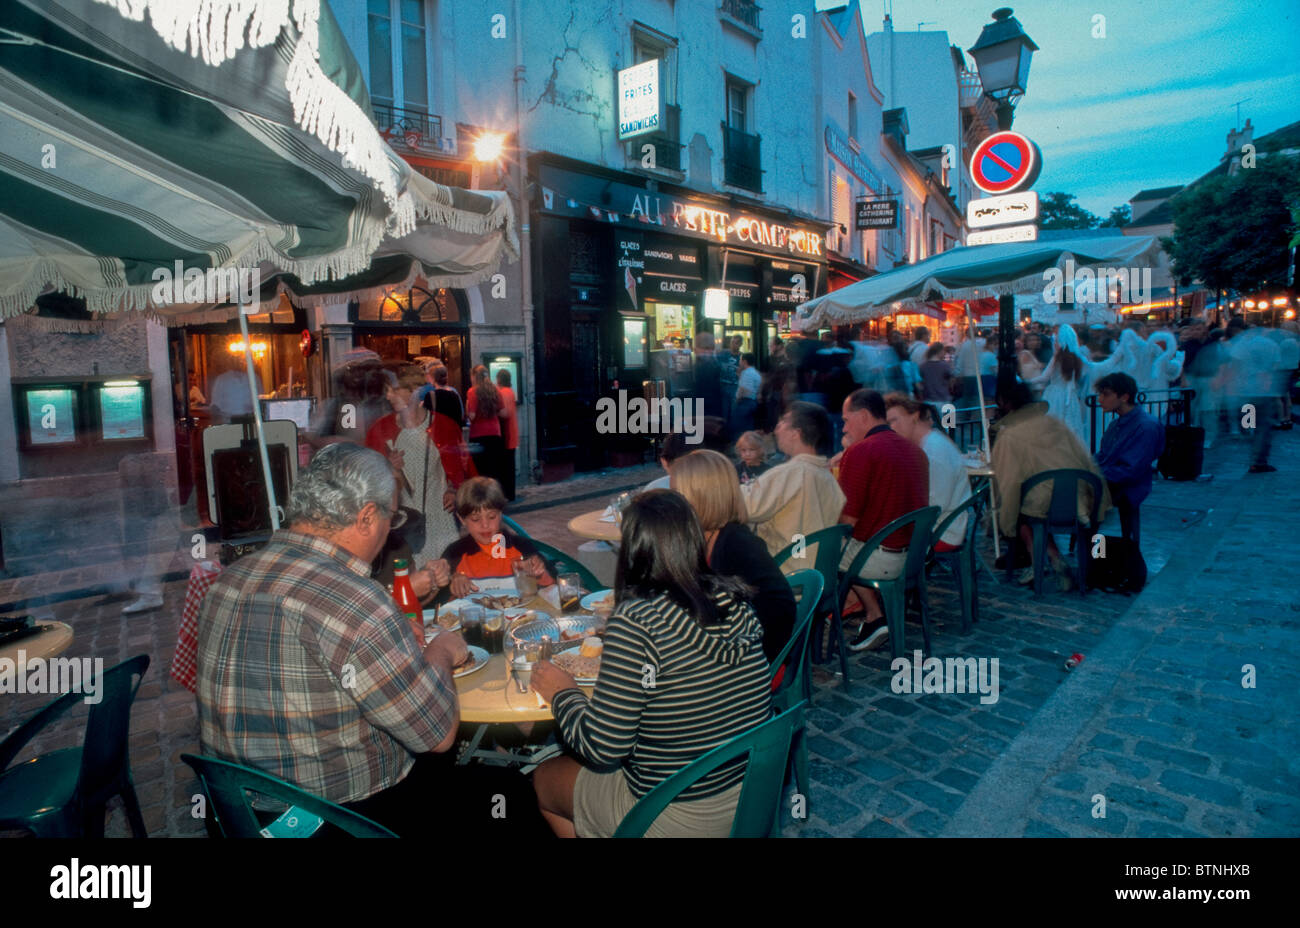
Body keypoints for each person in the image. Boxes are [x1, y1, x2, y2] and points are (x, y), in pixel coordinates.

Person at [195, 443, 546, 837]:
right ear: (365, 518)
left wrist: (387, 634)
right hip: (335, 820)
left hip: (237, 816)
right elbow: (437, 734)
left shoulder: (229, 580)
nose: (390, 532)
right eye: (391, 518)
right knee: (510, 792)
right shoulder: (355, 598)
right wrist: (442, 650)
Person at [530, 490, 771, 838]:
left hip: (672, 813)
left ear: (633, 549)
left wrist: (562, 692)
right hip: (750, 796)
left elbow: (603, 747)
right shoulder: (736, 601)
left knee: (544, 778)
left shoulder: (636, 622)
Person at [671, 450, 797, 663]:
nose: (671, 502)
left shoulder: (737, 544)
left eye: (676, 493)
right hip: (729, 643)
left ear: (700, 497)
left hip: (753, 656)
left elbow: (779, 610)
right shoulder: (705, 535)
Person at [991, 382, 1111, 590]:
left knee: (1021, 513)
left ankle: (1045, 561)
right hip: (1079, 500)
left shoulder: (1010, 435)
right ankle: (1053, 559)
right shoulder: (1057, 424)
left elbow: (1010, 483)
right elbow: (1086, 460)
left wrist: (1005, 523)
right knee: (1032, 509)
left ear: (1005, 404)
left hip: (1043, 504)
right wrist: (1099, 502)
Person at [834, 389, 929, 651]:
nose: (844, 427)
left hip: (881, 559)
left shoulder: (861, 451)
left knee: (820, 549)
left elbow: (847, 521)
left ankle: (872, 615)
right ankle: (863, 610)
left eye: (846, 420)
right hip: (914, 556)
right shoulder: (916, 451)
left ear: (864, 416)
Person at [364, 364, 460, 573]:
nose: (388, 396)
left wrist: (454, 490)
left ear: (414, 390)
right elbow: (367, 483)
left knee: (444, 576)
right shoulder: (379, 430)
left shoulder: (444, 425)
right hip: (401, 525)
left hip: (439, 520)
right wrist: (389, 469)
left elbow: (459, 470)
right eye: (386, 390)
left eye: (394, 389)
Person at [739, 401, 846, 565]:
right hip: (816, 569)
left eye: (782, 423)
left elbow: (744, 506)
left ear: (796, 433)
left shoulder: (790, 473)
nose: (776, 430)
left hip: (785, 570)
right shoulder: (828, 477)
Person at [883, 393, 971, 552]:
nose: (891, 428)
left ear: (914, 416)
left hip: (942, 532)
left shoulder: (934, 451)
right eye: (887, 424)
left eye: (893, 420)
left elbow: (934, 505)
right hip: (939, 525)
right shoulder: (929, 443)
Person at [441, 477, 553, 598]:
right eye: (475, 519)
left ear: (501, 514)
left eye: (492, 517)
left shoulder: (522, 548)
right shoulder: (455, 554)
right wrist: (452, 584)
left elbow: (554, 589)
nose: (485, 525)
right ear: (462, 519)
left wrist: (539, 574)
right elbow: (439, 601)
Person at [1094, 372, 1164, 550]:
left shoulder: (1146, 426)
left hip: (1128, 486)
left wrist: (1094, 474)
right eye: (1100, 394)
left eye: (1106, 394)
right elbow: (1103, 455)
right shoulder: (1116, 425)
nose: (1100, 399)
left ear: (1124, 397)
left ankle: (1092, 550)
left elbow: (1131, 470)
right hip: (1111, 479)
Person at [1223, 317, 1281, 473]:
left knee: (1250, 421)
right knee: (1264, 425)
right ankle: (1258, 459)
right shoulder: (1271, 344)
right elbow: (1275, 366)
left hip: (1245, 389)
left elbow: (1234, 367)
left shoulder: (1241, 344)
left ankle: (1250, 443)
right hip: (1265, 390)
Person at [467, 364, 506, 487]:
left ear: (474, 376)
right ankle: (493, 493)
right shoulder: (495, 390)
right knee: (493, 468)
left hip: (478, 434)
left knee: (480, 469)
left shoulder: (472, 391)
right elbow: (503, 412)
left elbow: (472, 416)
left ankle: (482, 495)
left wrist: (467, 408)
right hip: (495, 433)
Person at [496, 368, 519, 500]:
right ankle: (510, 494)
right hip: (512, 432)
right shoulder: (510, 391)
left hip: (506, 433)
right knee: (509, 465)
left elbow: (505, 413)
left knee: (506, 466)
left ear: (499, 379)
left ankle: (507, 494)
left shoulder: (503, 392)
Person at [732, 352, 761, 434]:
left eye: (740, 360)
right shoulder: (756, 373)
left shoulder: (746, 373)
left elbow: (744, 389)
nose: (739, 362)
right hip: (753, 402)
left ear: (744, 361)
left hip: (744, 403)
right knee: (748, 426)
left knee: (739, 428)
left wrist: (737, 399)